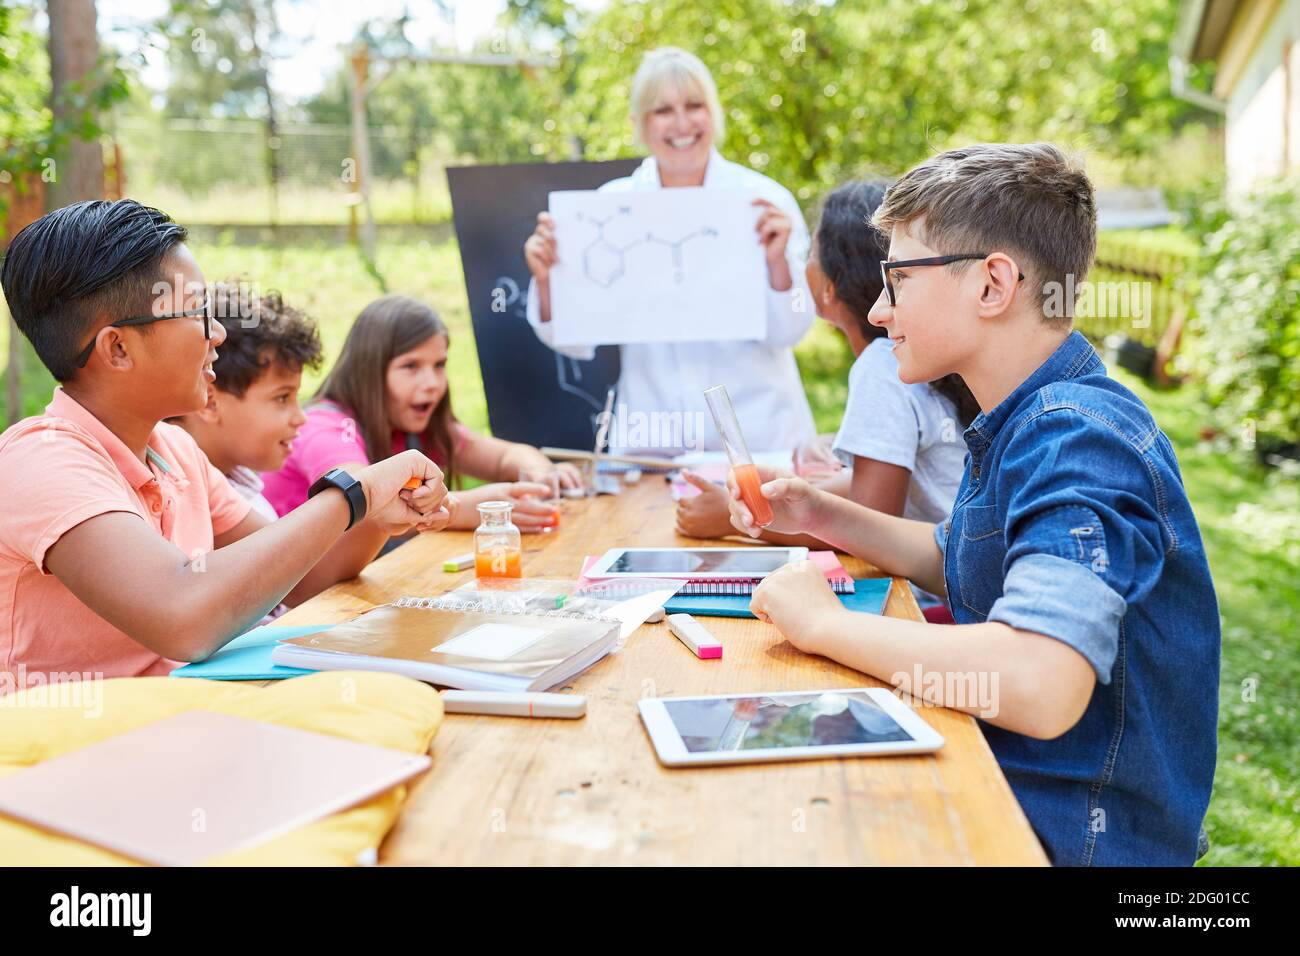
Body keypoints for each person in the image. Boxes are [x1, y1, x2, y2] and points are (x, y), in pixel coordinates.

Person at [725, 144, 1220, 866]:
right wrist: (819, 514)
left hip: (1064, 836)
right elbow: (954, 554)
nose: (877, 308)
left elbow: (1040, 680)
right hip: (1013, 790)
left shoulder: (1076, 440)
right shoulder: (1025, 420)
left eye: (898, 280)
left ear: (992, 286)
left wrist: (823, 625)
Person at [0, 200, 450, 682]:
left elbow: (302, 579)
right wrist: (353, 493)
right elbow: (182, 616)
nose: (216, 334)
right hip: (67, 750)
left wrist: (376, 509)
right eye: (198, 313)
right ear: (118, 348)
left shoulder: (174, 452)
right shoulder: (42, 461)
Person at [523, 46, 815, 456]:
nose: (681, 123)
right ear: (638, 123)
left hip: (759, 438)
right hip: (655, 440)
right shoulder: (609, 208)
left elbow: (793, 328)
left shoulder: (765, 202)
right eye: (662, 110)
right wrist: (547, 278)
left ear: (713, 112)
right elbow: (574, 340)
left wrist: (779, 264)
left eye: (694, 105)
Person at [675, 180, 977, 572]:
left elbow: (869, 520)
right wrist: (793, 488)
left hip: (929, 600)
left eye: (809, 252)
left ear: (831, 287)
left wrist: (743, 523)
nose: (803, 264)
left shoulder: (882, 366)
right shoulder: (910, 355)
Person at [262, 294, 581, 533]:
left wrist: (539, 477)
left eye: (439, 365)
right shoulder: (328, 428)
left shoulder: (413, 429)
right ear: (368, 371)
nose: (431, 383)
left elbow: (504, 457)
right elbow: (362, 500)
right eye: (410, 367)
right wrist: (474, 508)